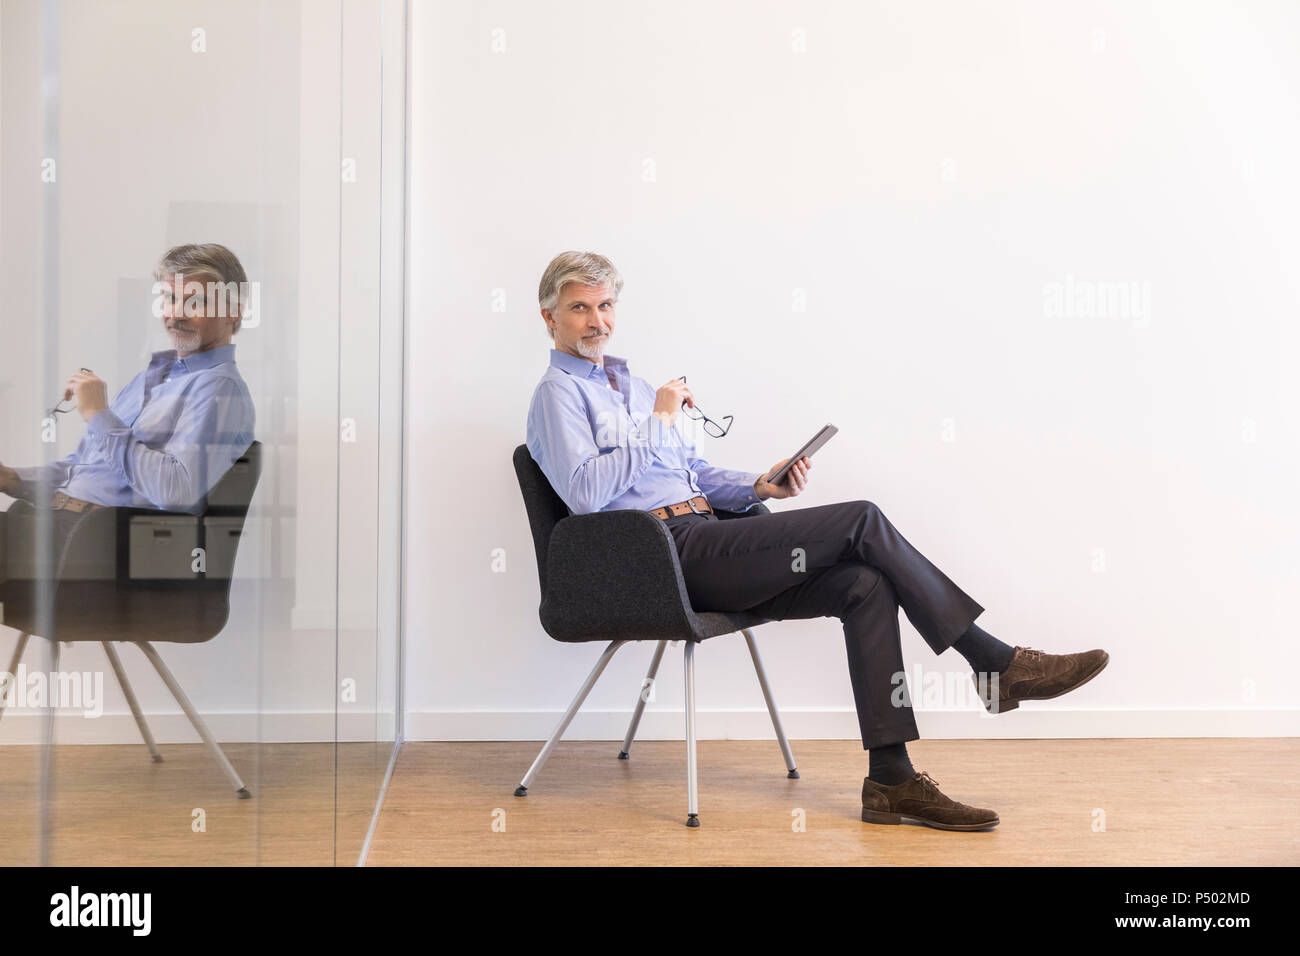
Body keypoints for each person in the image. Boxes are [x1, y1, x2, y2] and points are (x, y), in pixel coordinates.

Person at [525, 250, 1110, 832]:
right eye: (579, 308)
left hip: (707, 537)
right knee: (861, 518)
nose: (596, 319)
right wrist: (657, 422)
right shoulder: (557, 395)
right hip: (657, 560)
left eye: (604, 306)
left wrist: (760, 485)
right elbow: (584, 496)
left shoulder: (635, 384)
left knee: (864, 584)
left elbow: (695, 477)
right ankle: (993, 661)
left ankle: (891, 779)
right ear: (550, 318)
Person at [0, 243, 257, 582]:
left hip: (105, 550)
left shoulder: (219, 389)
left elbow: (175, 492)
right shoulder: (154, 375)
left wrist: (99, 415)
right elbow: (82, 468)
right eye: (169, 298)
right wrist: (14, 479)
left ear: (234, 312)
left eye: (196, 302)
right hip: (59, 527)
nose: (175, 314)